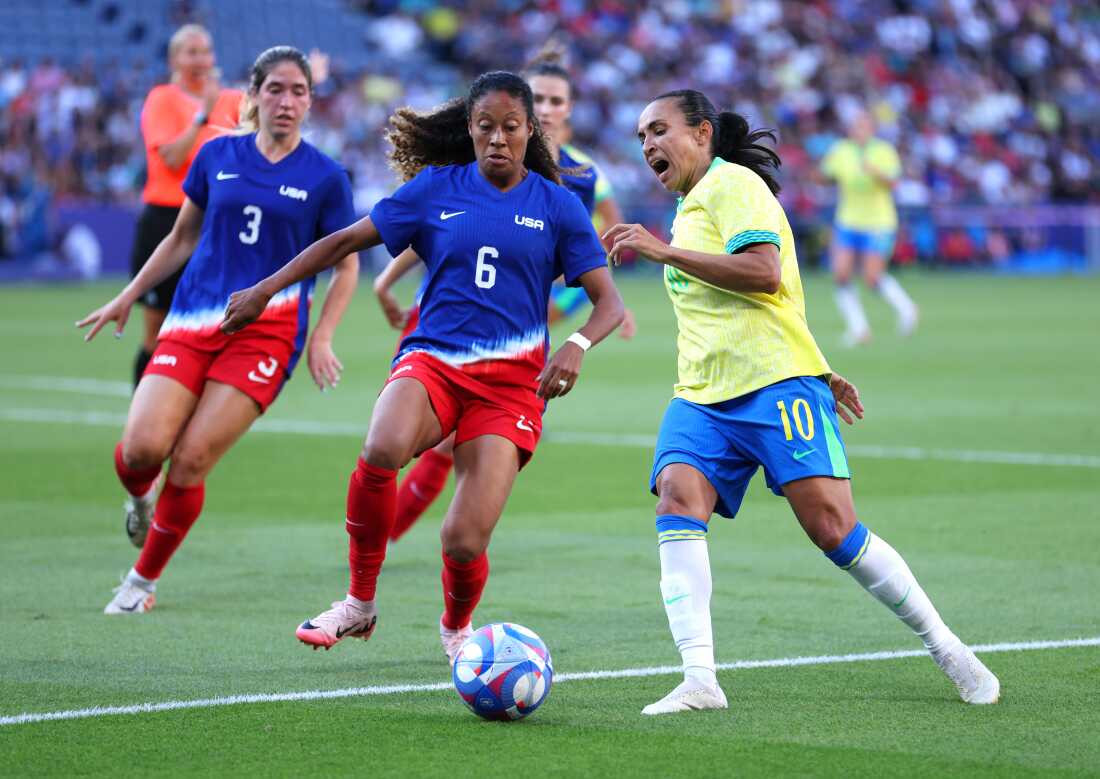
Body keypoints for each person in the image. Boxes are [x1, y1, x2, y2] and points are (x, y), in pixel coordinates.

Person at [603, 89, 998, 714]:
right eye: (641, 135)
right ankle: (699, 678)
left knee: (832, 528)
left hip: (774, 388)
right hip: (703, 394)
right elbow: (763, 305)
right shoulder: (690, 205)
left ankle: (947, 645)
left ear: (703, 134)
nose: (648, 143)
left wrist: (663, 251)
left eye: (659, 129)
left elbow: (765, 274)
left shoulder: (733, 187)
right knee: (676, 496)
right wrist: (822, 361)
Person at [221, 71, 625, 660]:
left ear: (530, 130)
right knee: (382, 447)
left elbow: (609, 303)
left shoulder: (558, 206)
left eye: (510, 127)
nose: (497, 139)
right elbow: (342, 242)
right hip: (433, 362)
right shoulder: (435, 189)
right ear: (469, 128)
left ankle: (457, 629)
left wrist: (577, 345)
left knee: (462, 542)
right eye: (485, 126)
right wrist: (266, 288)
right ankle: (358, 603)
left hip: (512, 388)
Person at [76, 46, 359, 615]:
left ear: (310, 101)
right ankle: (139, 500)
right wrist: (129, 295)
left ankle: (141, 582)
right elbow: (182, 237)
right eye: (275, 89)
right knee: (142, 451)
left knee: (192, 459)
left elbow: (346, 261)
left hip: (268, 335)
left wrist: (323, 335)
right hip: (191, 319)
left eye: (298, 91)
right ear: (252, 95)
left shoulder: (326, 177)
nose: (287, 101)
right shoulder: (216, 156)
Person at [373, 44, 636, 545]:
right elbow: (439, 227)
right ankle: (381, 545)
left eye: (559, 100)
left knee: (454, 448)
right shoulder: (484, 160)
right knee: (427, 443)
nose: (551, 107)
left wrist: (572, 310)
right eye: (541, 98)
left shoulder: (581, 178)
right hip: (445, 317)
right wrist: (387, 279)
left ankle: (417, 540)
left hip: (517, 324)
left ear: (566, 110)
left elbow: (603, 244)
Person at [130, 24, 241, 388]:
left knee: (210, 330)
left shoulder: (234, 101)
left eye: (205, 51)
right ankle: (143, 425)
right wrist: (202, 115)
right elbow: (173, 158)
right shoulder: (162, 98)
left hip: (214, 224)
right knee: (157, 334)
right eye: (191, 51)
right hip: (167, 221)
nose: (200, 59)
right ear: (174, 59)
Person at [821, 110, 918, 346]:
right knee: (841, 273)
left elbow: (894, 182)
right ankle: (858, 328)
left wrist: (875, 173)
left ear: (872, 129)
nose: (858, 130)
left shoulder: (883, 152)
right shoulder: (841, 150)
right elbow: (825, 175)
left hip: (878, 222)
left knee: (872, 277)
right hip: (848, 220)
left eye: (863, 126)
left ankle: (907, 308)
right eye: (855, 126)